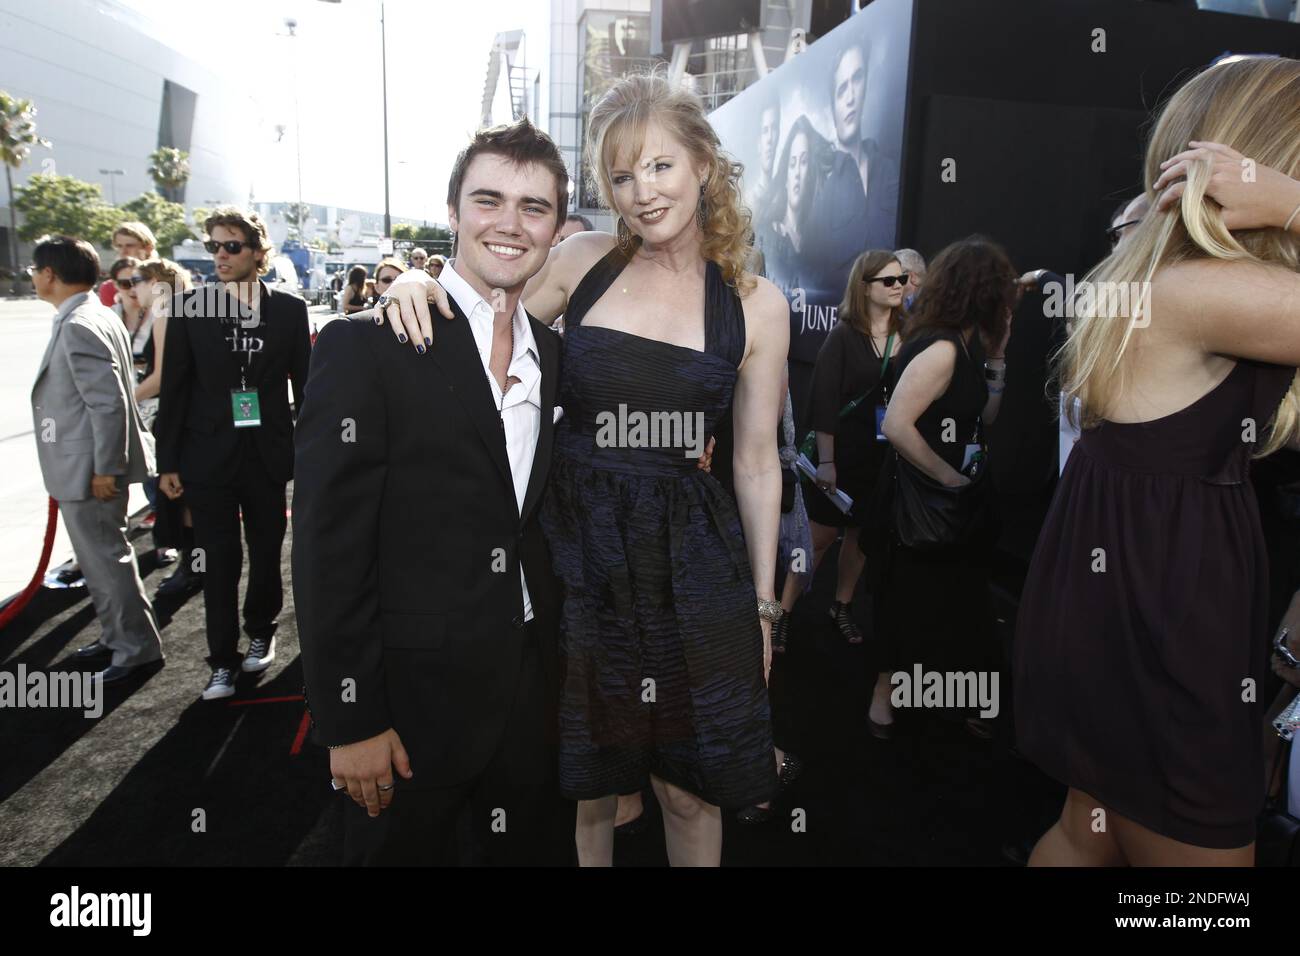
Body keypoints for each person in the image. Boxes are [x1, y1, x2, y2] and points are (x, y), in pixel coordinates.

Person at [380, 71, 789, 867]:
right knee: (585, 777)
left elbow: (756, 461)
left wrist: (765, 609)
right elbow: (480, 327)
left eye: (660, 166)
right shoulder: (583, 261)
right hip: (575, 545)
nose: (642, 192)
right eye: (623, 175)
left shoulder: (755, 303)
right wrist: (413, 279)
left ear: (705, 164)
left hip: (687, 562)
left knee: (688, 783)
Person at [1016, 55, 1300, 867]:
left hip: (1120, 590)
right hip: (1163, 614)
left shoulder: (1166, 272)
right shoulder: (1207, 292)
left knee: (1088, 828)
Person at [294, 118, 568, 866]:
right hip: (409, 700)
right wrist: (349, 720)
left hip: (526, 684)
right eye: (488, 200)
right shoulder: (368, 345)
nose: (509, 224)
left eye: (533, 207)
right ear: (453, 213)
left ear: (556, 229)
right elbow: (327, 548)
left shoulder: (556, 355)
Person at [155, 207, 311, 700]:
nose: (220, 255)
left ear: (258, 253)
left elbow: (307, 390)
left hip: (266, 455)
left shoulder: (289, 310)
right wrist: (168, 463)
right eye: (213, 246)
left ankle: (260, 632)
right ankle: (221, 658)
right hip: (206, 456)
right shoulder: (188, 309)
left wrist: (312, 453)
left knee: (267, 553)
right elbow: (175, 391)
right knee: (218, 561)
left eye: (232, 246)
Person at [873, 236, 1017, 739]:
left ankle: (966, 704)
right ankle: (883, 706)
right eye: (1001, 293)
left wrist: (997, 359)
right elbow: (896, 425)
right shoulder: (940, 349)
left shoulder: (962, 343)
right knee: (916, 603)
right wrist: (948, 476)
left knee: (956, 603)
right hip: (925, 506)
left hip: (948, 507)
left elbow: (984, 419)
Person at [29, 235, 163, 682]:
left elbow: (106, 403)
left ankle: (134, 649)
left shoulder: (80, 323)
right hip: (87, 467)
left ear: (50, 274)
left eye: (34, 269)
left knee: (106, 561)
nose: (32, 277)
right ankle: (116, 637)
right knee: (101, 561)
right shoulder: (95, 315)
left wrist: (107, 467)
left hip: (91, 471)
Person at [797, 251, 904, 653]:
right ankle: (782, 611)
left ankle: (841, 606)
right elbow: (823, 401)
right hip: (840, 454)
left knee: (861, 537)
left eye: (902, 278)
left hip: (881, 456)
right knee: (819, 538)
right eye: (888, 281)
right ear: (865, 287)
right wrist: (827, 462)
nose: (898, 286)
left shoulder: (908, 331)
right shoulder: (844, 335)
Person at [129, 258, 200, 588]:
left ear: (157, 280)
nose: (132, 287)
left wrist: (125, 397)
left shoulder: (166, 311)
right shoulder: (185, 309)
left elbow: (162, 377)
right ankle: (194, 566)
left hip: (174, 417)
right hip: (187, 416)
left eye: (136, 279)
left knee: (177, 495)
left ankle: (193, 568)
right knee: (182, 495)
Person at [97, 222, 157, 307]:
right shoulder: (110, 288)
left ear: (148, 248)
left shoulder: (164, 280)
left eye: (129, 246)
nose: (123, 252)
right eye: (119, 246)